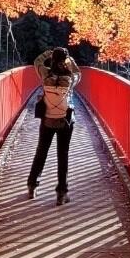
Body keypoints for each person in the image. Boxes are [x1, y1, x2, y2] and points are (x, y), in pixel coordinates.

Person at [27, 46, 81, 205]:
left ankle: (32, 185)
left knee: (41, 152)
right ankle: (61, 193)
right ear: (65, 60)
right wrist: (70, 60)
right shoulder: (70, 77)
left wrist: (47, 54)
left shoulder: (45, 74)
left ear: (53, 59)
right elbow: (79, 72)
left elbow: (37, 62)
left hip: (47, 120)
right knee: (63, 155)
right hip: (65, 121)